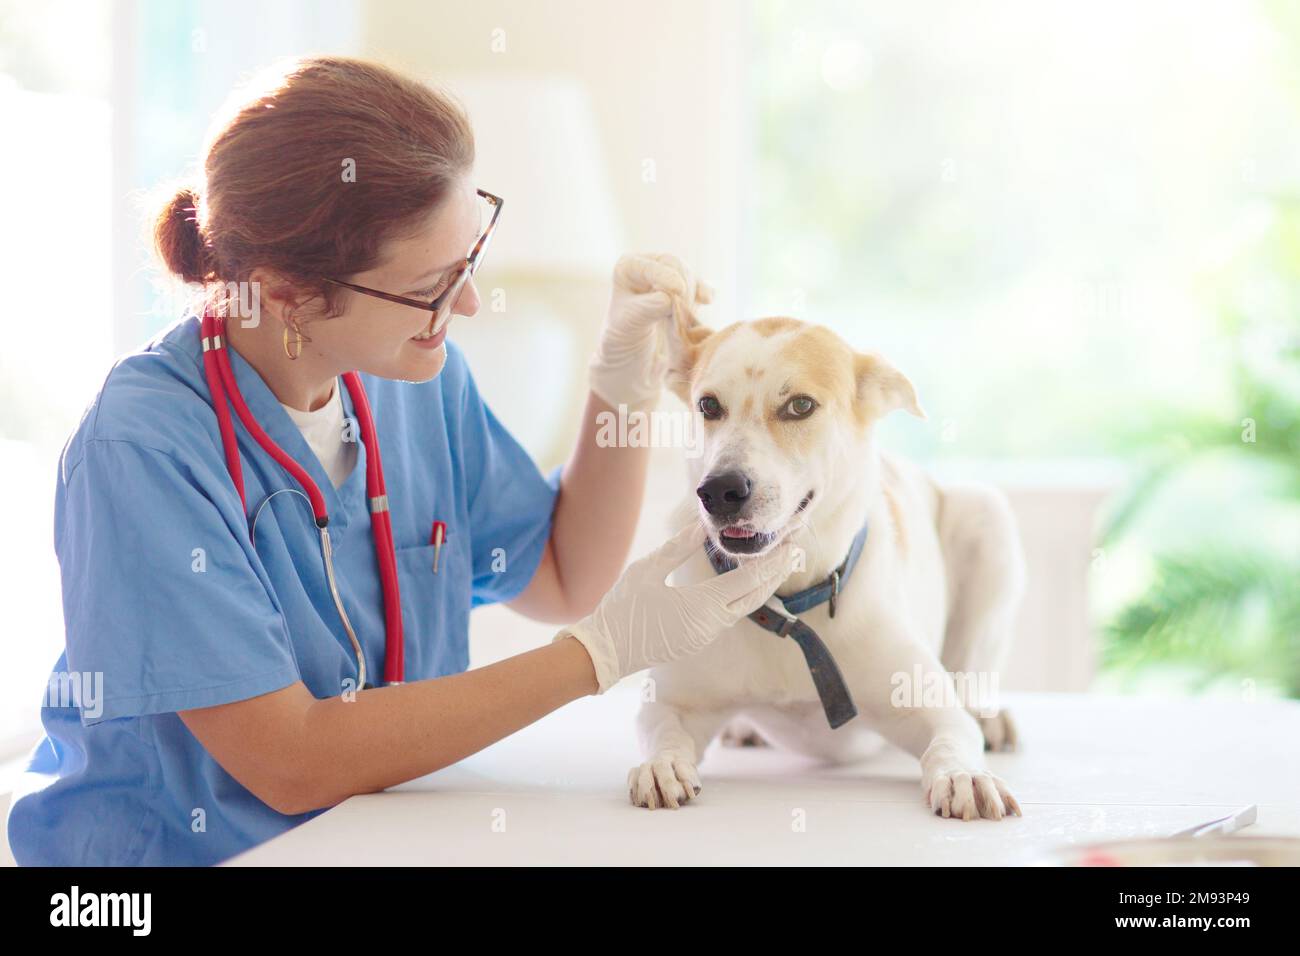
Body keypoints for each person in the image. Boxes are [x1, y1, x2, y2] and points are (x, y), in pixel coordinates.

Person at [4, 55, 791, 866]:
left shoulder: (412, 378)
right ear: (287, 295)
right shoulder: (143, 450)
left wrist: (620, 386)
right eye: (434, 285)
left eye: (471, 258)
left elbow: (561, 574)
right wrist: (596, 658)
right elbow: (292, 760)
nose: (471, 305)